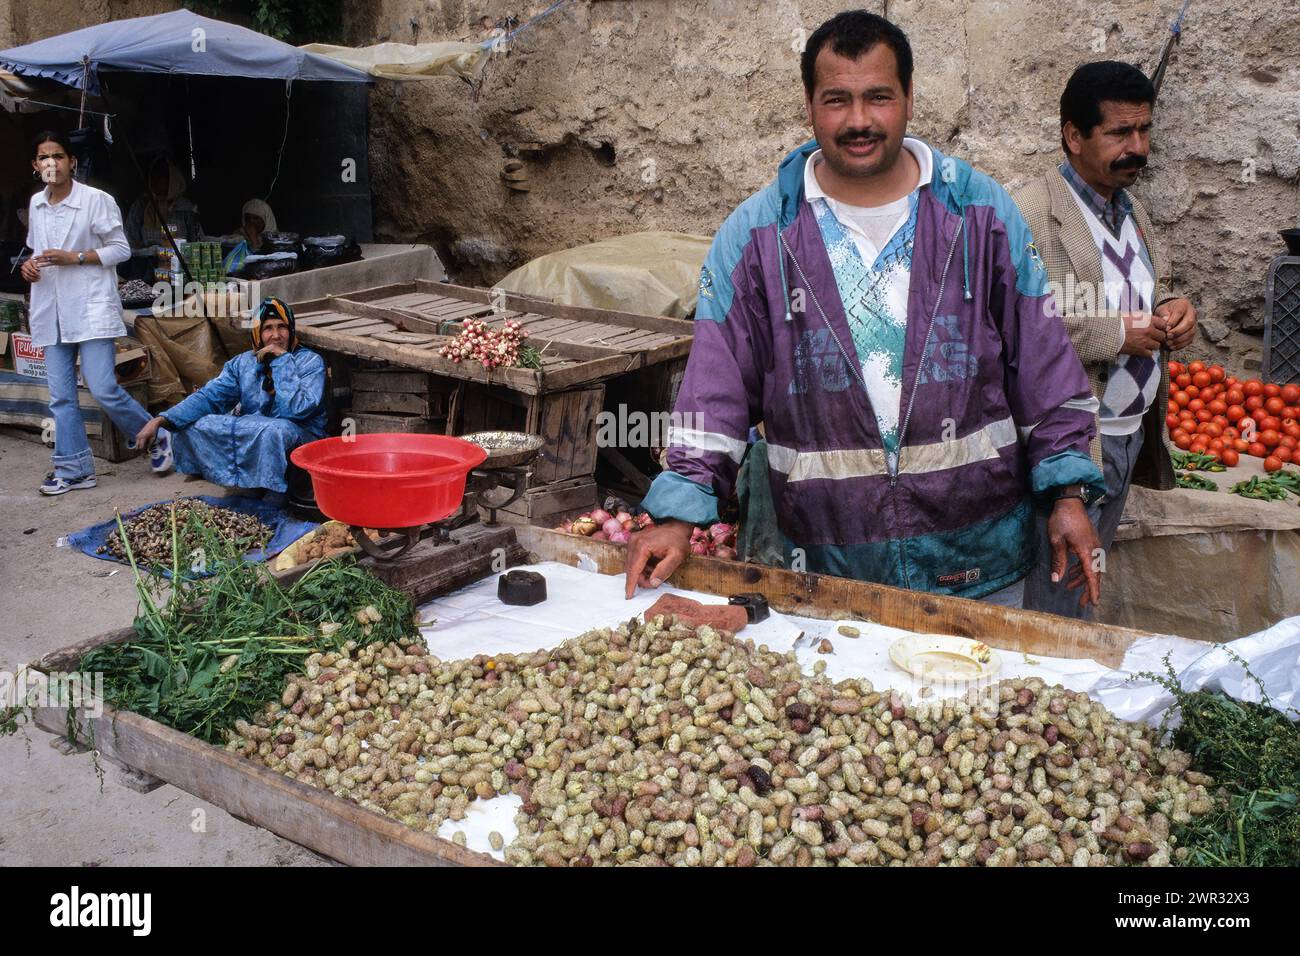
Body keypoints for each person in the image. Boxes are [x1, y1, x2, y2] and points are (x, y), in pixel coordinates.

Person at [625, 10, 1106, 609]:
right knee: (839, 704)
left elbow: (1043, 361)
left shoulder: (978, 213)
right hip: (823, 559)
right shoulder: (758, 236)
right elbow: (715, 386)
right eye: (837, 100)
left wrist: (1067, 493)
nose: (858, 120)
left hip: (975, 558)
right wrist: (678, 512)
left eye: (878, 97)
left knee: (977, 700)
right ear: (809, 105)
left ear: (908, 98)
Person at [1015, 62, 1197, 620]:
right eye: (1121, 133)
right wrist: (1120, 332)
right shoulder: (1029, 213)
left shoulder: (1131, 210)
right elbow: (1022, 322)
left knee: (1084, 580)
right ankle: (1047, 688)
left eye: (1143, 131)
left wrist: (1174, 309)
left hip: (1125, 437)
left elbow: (1151, 289)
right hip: (1071, 444)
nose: (1136, 147)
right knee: (1057, 599)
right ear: (1074, 135)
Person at [20, 130, 163, 495]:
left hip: (88, 306)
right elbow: (34, 253)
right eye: (44, 157)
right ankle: (74, 469)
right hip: (50, 308)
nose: (51, 163)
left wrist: (76, 258)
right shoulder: (37, 205)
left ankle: (156, 434)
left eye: (58, 156)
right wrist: (29, 268)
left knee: (101, 386)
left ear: (72, 162)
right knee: (62, 397)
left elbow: (121, 249)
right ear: (36, 166)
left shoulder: (95, 200)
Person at [135, 297, 326, 495]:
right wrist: (161, 419)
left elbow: (295, 411)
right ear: (257, 333)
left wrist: (282, 361)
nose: (276, 335)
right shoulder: (243, 363)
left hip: (302, 437)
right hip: (259, 429)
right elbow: (209, 396)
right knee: (192, 423)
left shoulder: (310, 362)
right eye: (268, 328)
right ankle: (242, 482)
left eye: (282, 327)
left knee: (275, 431)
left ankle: (275, 492)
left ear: (291, 329)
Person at [124, 156, 203, 249]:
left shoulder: (186, 208)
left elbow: (198, 241)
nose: (156, 180)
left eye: (161, 176)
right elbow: (129, 241)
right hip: (145, 261)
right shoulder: (141, 206)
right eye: (153, 176)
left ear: (172, 179)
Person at [221, 198, 277, 274]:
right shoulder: (239, 234)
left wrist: (254, 240)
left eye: (256, 218)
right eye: (248, 218)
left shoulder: (276, 240)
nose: (251, 221)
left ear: (265, 219)